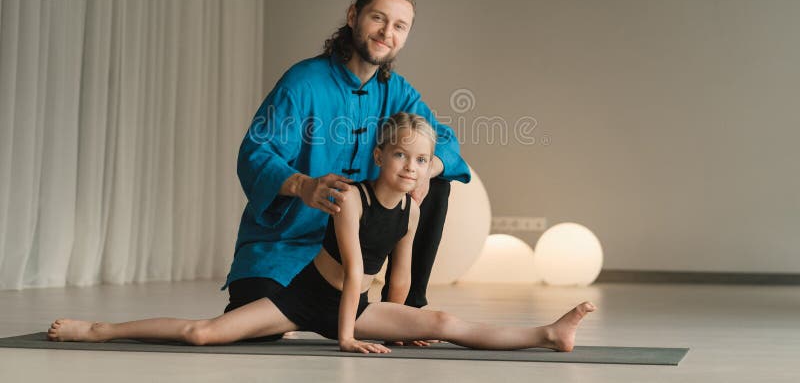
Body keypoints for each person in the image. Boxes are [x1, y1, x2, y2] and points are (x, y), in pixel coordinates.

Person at [47, 113, 596, 354]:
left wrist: (403, 325)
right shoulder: (350, 198)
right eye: (400, 154)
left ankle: (549, 334)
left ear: (429, 166)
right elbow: (356, 270)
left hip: (356, 305)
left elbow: (397, 278)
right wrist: (347, 337)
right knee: (203, 334)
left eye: (421, 159)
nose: (409, 166)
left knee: (446, 321)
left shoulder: (409, 208)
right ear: (379, 155)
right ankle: (97, 329)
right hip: (304, 298)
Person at [226, 0, 471, 326]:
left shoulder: (397, 91)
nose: (387, 32)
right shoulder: (302, 82)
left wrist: (427, 169)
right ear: (354, 16)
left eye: (400, 26)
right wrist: (302, 185)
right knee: (255, 325)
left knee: (435, 179)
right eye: (378, 18)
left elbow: (442, 140)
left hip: (349, 255)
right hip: (285, 245)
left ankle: (407, 307)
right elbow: (255, 152)